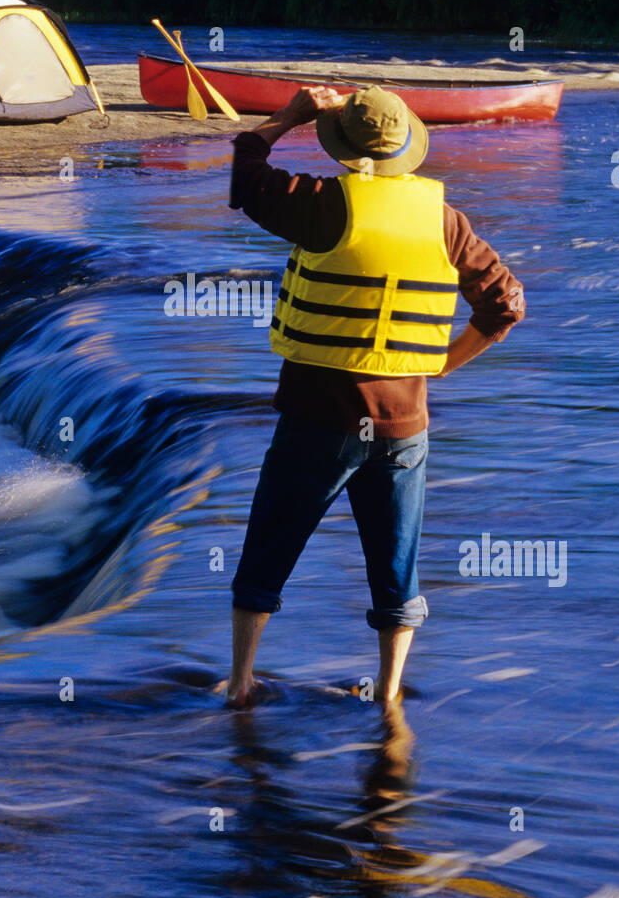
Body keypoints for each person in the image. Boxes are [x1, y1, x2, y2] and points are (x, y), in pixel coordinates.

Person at [223, 83, 525, 708]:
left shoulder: (322, 204)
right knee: (394, 570)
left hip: (318, 420)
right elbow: (506, 304)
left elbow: (247, 169)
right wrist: (443, 364)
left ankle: (242, 684)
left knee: (267, 554)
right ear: (405, 146)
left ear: (341, 148)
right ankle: (388, 699)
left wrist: (289, 116)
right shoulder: (445, 220)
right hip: (403, 428)